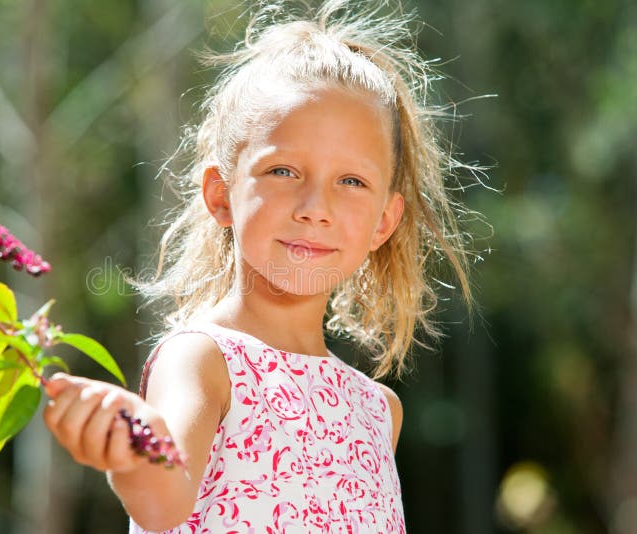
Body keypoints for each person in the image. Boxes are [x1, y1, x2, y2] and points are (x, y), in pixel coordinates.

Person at [43, 1, 478, 532]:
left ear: (384, 221)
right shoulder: (202, 360)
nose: (315, 207)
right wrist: (133, 449)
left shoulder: (379, 411)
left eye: (351, 181)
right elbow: (161, 503)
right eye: (283, 169)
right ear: (221, 195)